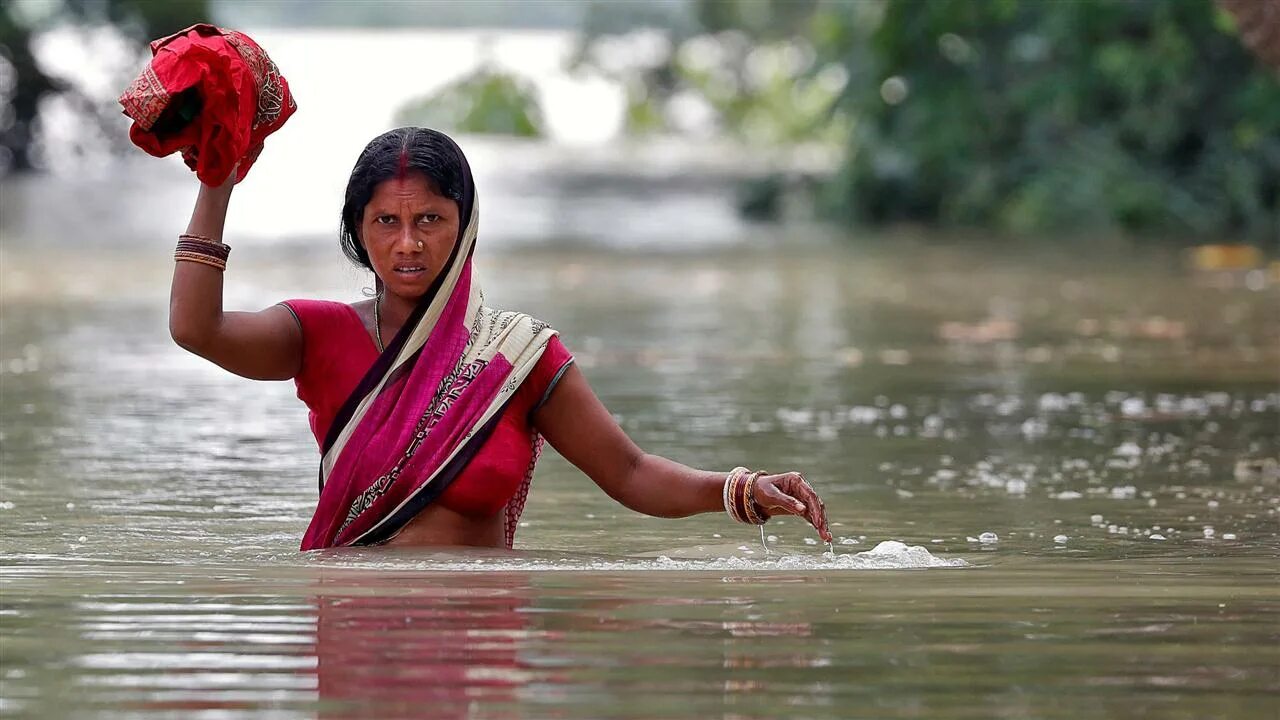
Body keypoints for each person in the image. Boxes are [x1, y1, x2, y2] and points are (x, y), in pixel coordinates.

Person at [168, 126, 832, 551]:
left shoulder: (519, 355)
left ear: (466, 226)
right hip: (355, 639)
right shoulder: (317, 333)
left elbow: (630, 473)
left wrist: (740, 488)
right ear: (358, 232)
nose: (408, 243)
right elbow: (196, 328)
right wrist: (217, 182)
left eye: (431, 219)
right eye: (387, 221)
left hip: (478, 650)